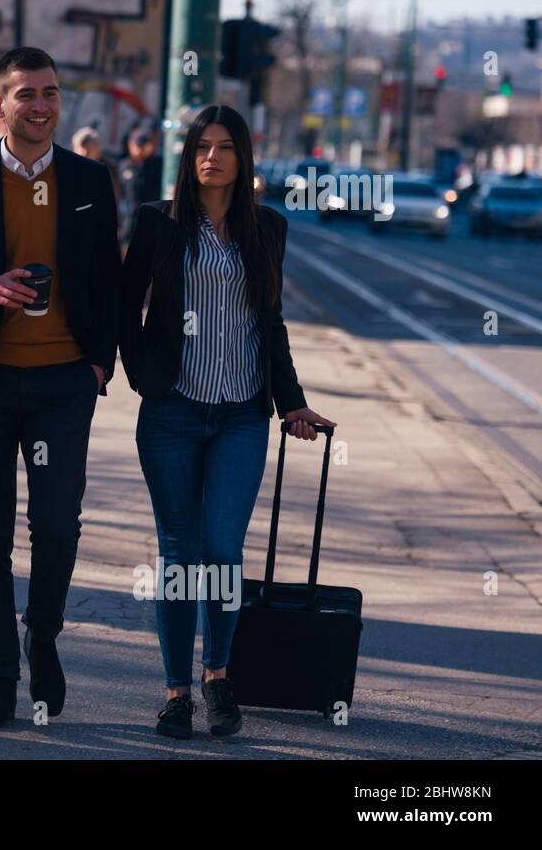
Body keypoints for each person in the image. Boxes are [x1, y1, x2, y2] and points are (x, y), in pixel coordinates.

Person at [119, 104, 335, 740]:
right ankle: (175, 692)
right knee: (180, 555)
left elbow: (271, 324)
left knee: (220, 549)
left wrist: (290, 399)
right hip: (172, 414)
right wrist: (142, 375)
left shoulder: (267, 227)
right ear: (188, 157)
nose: (211, 157)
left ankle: (217, 676)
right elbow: (124, 306)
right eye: (201, 147)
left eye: (225, 147)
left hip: (242, 414)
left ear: (244, 158)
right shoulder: (158, 222)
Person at [0, 47, 120, 728]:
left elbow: (110, 281)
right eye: (25, 95)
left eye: (49, 93)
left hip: (64, 383)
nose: (40, 106)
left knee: (56, 523)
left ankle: (42, 635)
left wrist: (98, 364)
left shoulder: (91, 180)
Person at [117, 125, 163, 242]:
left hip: (152, 222)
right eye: (136, 145)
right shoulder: (123, 166)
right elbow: (119, 195)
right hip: (128, 222)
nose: (138, 149)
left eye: (142, 146)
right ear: (130, 145)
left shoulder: (157, 165)